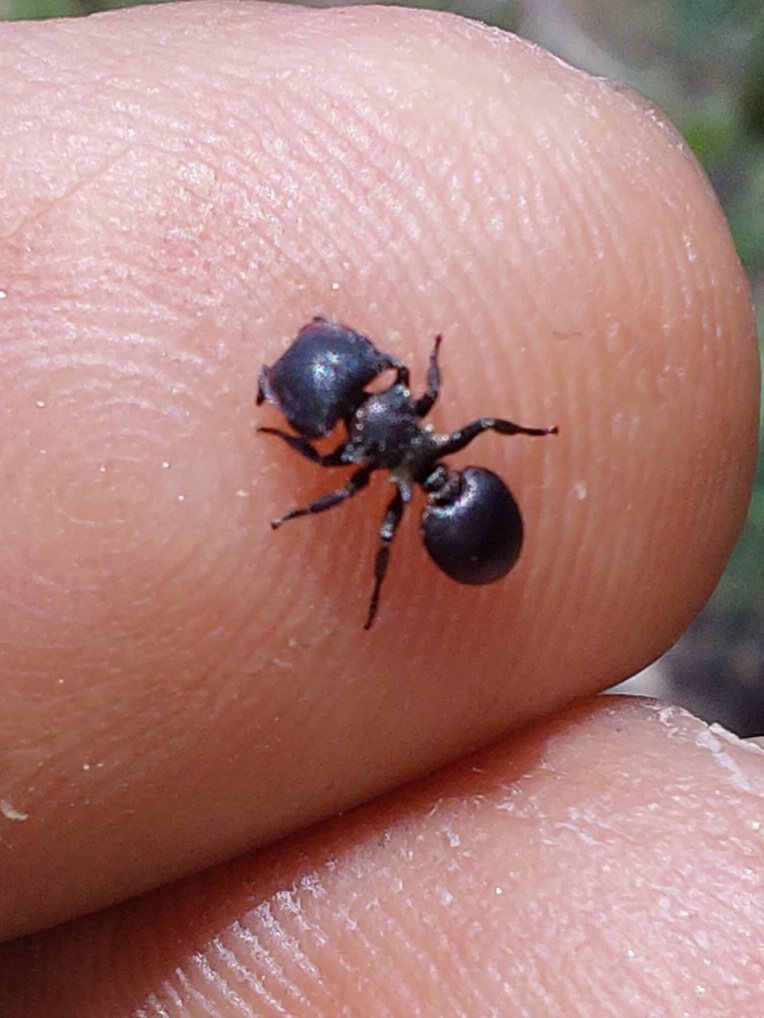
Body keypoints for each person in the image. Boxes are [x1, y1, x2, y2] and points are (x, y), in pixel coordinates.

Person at [0, 3, 760, 1014]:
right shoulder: (402, 426)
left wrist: (345, 552)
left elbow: (347, 482)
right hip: (463, 501)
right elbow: (426, 408)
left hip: (462, 517)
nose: (375, 409)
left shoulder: (379, 462)